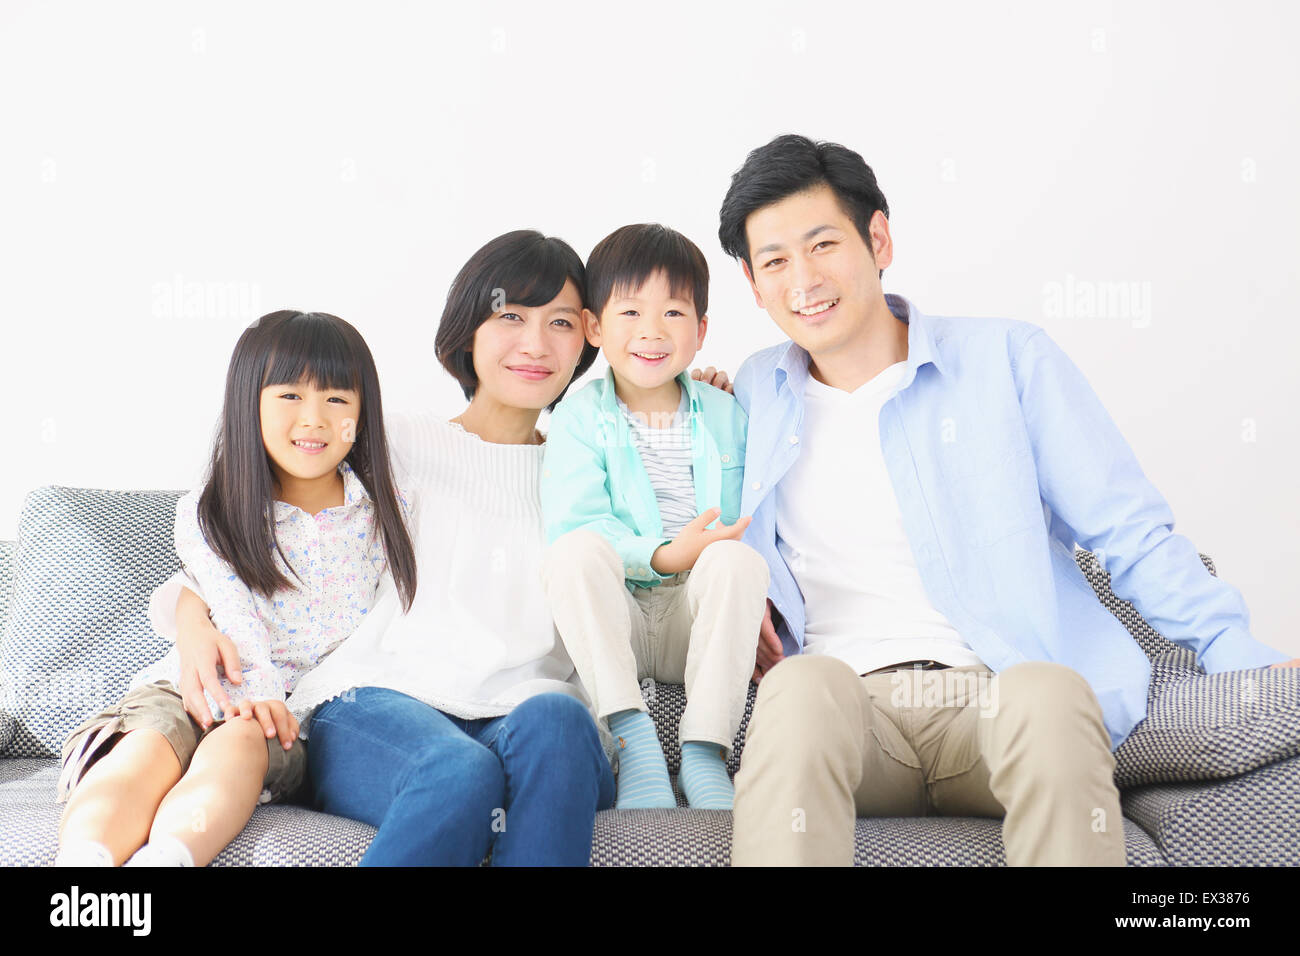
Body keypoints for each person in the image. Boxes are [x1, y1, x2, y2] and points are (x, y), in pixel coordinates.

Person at [718, 134, 1296, 866]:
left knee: (1051, 695)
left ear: (878, 237)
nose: (803, 279)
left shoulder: (1007, 360)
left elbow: (1129, 530)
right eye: (775, 262)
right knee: (796, 692)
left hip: (996, 701)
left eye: (822, 244)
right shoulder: (750, 392)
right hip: (845, 714)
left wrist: (1233, 649)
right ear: (753, 283)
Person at [154, 230, 728, 865]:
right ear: (469, 329)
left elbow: (679, 543)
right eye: (510, 315)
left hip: (532, 711)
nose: (535, 344)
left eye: (560, 321)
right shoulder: (390, 444)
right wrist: (187, 615)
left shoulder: (603, 467)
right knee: (458, 771)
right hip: (378, 704)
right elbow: (240, 531)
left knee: (561, 724)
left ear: (590, 334)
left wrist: (688, 393)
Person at [55, 310, 417, 867]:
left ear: (363, 413)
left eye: (338, 400)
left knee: (241, 740)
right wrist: (249, 680)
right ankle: (82, 874)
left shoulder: (381, 514)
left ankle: (166, 863)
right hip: (191, 686)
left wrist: (266, 704)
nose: (314, 419)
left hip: (284, 716)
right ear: (250, 404)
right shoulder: (213, 508)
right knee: (149, 747)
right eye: (290, 396)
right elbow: (230, 607)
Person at [540, 224, 768, 810]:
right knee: (572, 553)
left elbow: (754, 518)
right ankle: (634, 740)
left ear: (701, 331)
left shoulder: (726, 413)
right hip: (619, 614)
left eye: (673, 312)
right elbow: (577, 523)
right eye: (631, 311)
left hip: (696, 610)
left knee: (736, 558)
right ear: (595, 326)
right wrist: (663, 555)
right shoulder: (579, 415)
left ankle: (704, 751)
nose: (652, 331)